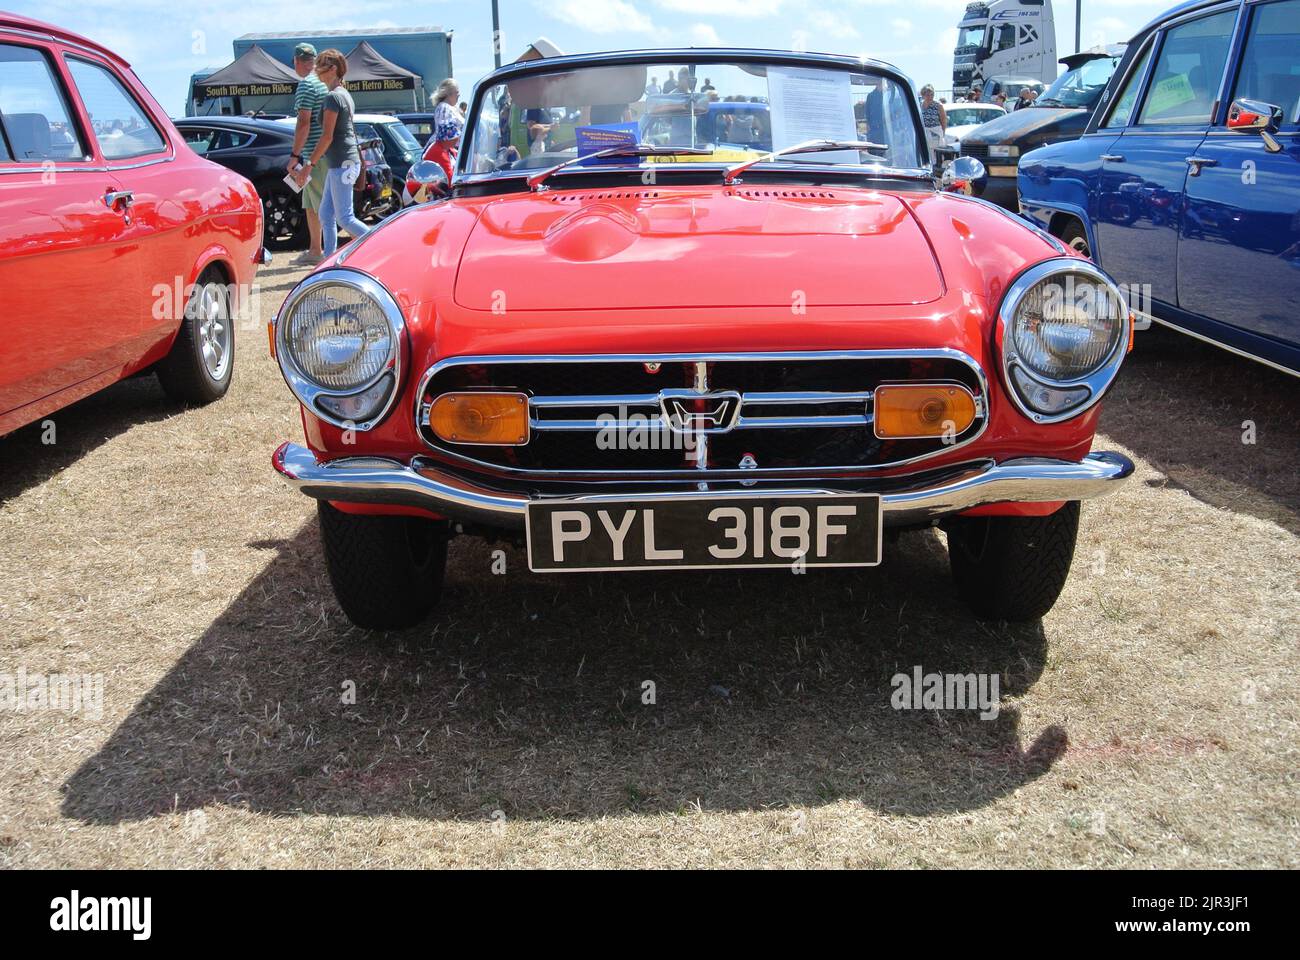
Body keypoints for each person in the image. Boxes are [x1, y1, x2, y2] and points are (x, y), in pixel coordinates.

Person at [295, 49, 368, 258]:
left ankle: (378, 244)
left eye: (321, 66)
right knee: (326, 214)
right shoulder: (343, 94)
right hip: (342, 162)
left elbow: (327, 136)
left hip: (341, 163)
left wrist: (309, 164)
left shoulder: (333, 98)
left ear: (333, 69)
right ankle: (329, 260)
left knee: (344, 218)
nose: (316, 70)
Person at [287, 43, 327, 265]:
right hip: (323, 154)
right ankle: (315, 250)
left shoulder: (306, 86)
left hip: (316, 156)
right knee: (311, 204)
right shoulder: (323, 83)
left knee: (325, 206)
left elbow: (303, 123)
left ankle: (359, 250)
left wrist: (295, 155)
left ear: (296, 61)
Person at [422, 78, 464, 182]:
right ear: (449, 93)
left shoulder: (450, 108)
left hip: (450, 151)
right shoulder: (444, 108)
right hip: (444, 153)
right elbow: (446, 135)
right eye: (457, 92)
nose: (459, 95)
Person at [919, 84, 946, 160]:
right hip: (924, 133)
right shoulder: (920, 105)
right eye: (928, 95)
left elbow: (943, 120)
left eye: (932, 94)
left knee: (936, 155)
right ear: (923, 95)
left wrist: (943, 133)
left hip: (935, 133)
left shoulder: (938, 105)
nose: (930, 97)